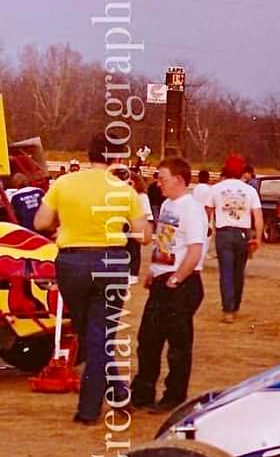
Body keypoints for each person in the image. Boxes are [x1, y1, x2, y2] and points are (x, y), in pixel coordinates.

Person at [34, 133, 145, 424]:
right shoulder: (124, 190)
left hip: (72, 262)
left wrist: (65, 223)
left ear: (89, 155)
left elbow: (40, 222)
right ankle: (89, 410)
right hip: (109, 262)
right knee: (100, 337)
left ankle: (119, 394)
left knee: (91, 336)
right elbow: (143, 234)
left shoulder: (64, 183)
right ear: (117, 159)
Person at [130, 157, 208, 413]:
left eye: (162, 178)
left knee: (178, 345)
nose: (158, 183)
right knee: (148, 339)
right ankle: (142, 393)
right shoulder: (166, 205)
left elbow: (195, 250)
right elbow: (164, 243)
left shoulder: (192, 209)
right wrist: (154, 272)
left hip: (182, 283)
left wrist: (177, 278)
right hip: (162, 279)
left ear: (178, 179)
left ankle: (174, 396)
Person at [209, 154, 264, 321]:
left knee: (225, 271)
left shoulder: (216, 189)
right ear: (242, 171)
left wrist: (210, 229)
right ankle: (236, 305)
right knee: (238, 272)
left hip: (224, 233)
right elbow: (258, 217)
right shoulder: (250, 191)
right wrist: (258, 238)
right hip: (242, 234)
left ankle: (228, 310)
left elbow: (207, 213)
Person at [126, 170, 153, 283]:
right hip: (125, 224)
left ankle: (133, 273)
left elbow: (147, 212)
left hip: (137, 224)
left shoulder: (142, 196)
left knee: (134, 249)